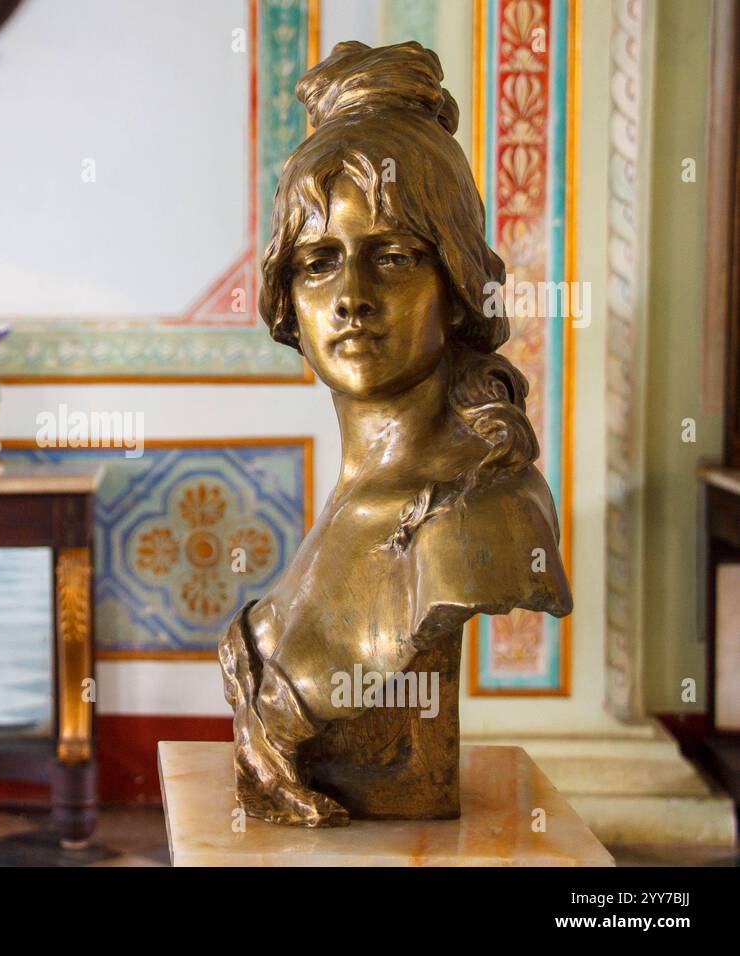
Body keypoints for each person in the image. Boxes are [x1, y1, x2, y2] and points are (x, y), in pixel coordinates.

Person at [219, 41, 572, 826]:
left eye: (396, 256)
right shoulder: (347, 507)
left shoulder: (484, 512)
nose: (351, 297)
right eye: (317, 262)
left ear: (456, 286)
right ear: (286, 300)